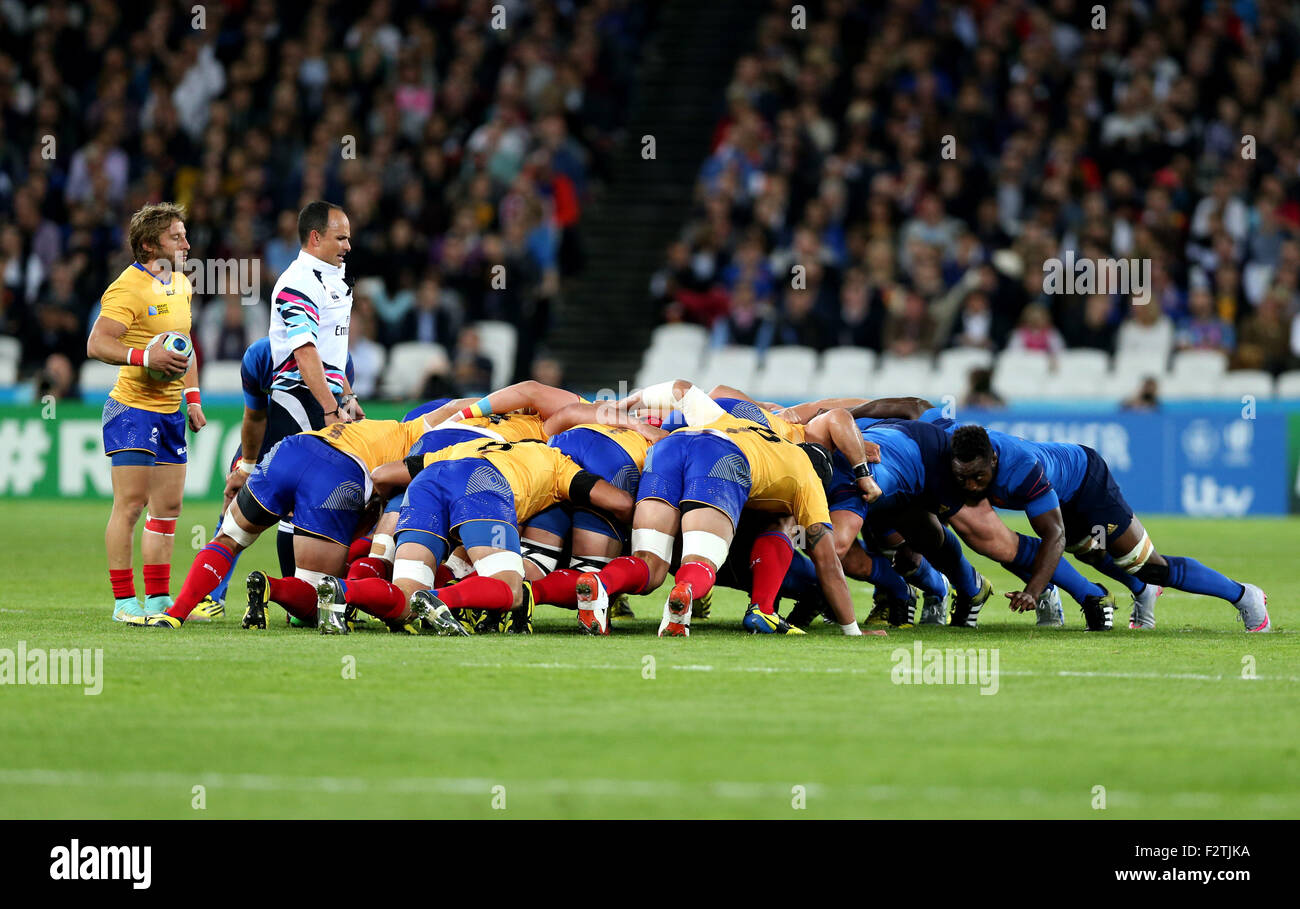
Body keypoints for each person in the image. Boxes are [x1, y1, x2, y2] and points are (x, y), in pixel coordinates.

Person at [949, 425, 1270, 632]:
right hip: (1062, 496)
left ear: (993, 459)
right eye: (964, 478)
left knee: (1148, 565)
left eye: (979, 477)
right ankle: (1143, 591)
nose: (972, 485)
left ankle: (1244, 596)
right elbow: (920, 409)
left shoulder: (1020, 469)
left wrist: (1034, 591)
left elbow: (1053, 536)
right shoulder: (958, 448)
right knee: (1092, 553)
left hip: (1087, 485)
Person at [86, 202, 207, 623]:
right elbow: (97, 343)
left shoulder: (180, 283)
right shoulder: (127, 289)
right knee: (131, 506)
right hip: (132, 410)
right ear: (148, 245)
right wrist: (144, 356)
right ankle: (124, 603)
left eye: (185, 234)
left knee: (168, 508)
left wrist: (192, 397)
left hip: (171, 411)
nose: (187, 244)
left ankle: (157, 600)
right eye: (177, 237)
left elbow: (184, 343)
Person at [263, 201, 366, 578]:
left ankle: (308, 591)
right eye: (341, 238)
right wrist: (327, 408)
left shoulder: (335, 276)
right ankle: (293, 594)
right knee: (294, 502)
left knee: (319, 497)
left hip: (325, 395)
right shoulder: (298, 283)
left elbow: (331, 349)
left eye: (349, 238)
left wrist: (348, 395)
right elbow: (305, 353)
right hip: (299, 399)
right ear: (315, 237)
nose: (348, 246)